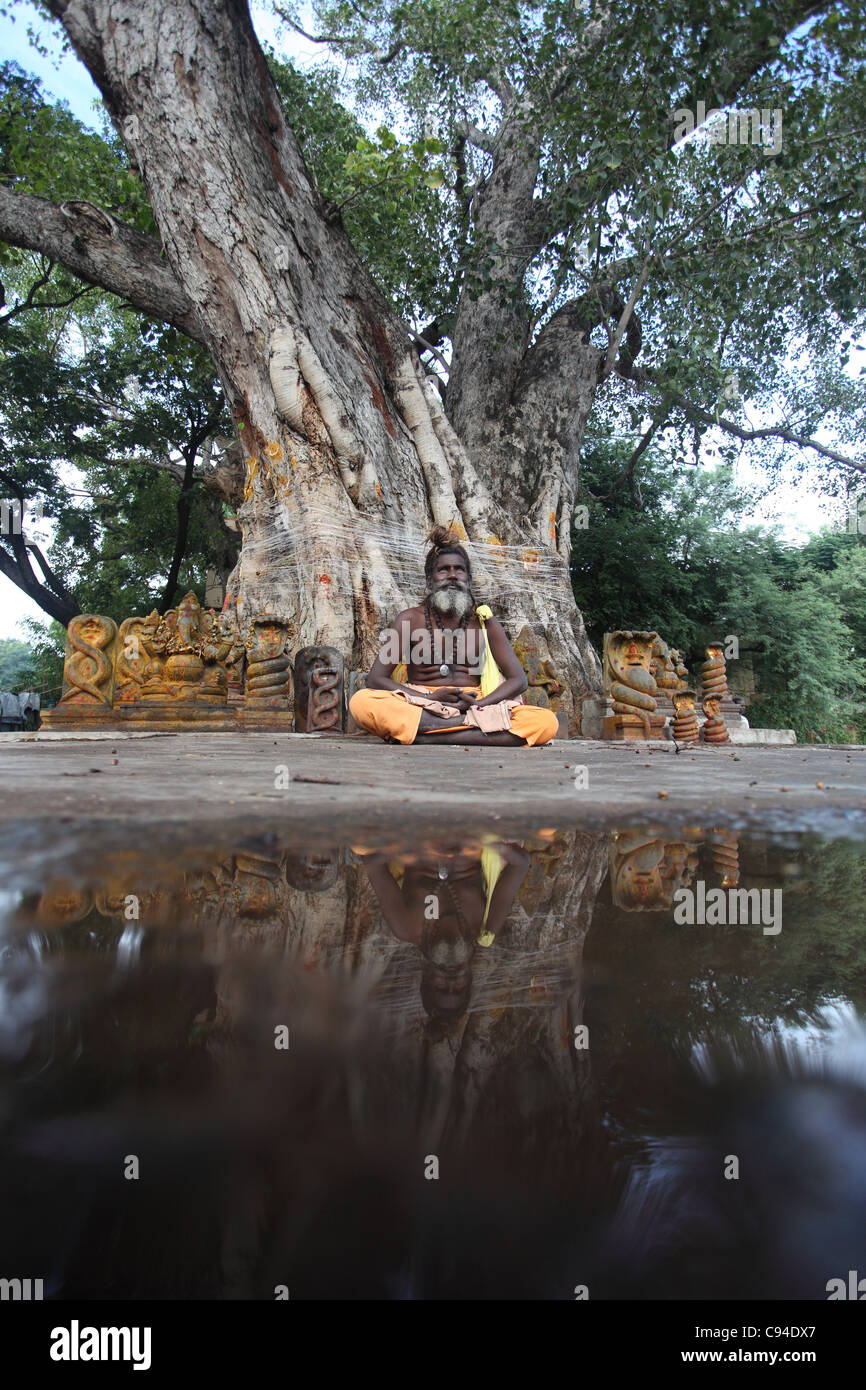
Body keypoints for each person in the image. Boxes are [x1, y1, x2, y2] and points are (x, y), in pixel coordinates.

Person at [348, 527, 559, 746]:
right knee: (362, 702)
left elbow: (519, 680)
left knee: (545, 721)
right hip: (422, 703)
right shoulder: (409, 619)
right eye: (443, 570)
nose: (452, 575)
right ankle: (476, 733)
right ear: (430, 580)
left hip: (476, 705)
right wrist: (428, 698)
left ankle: (426, 736)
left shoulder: (484, 621)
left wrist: (480, 704)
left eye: (459, 570)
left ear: (468, 579)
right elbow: (376, 679)